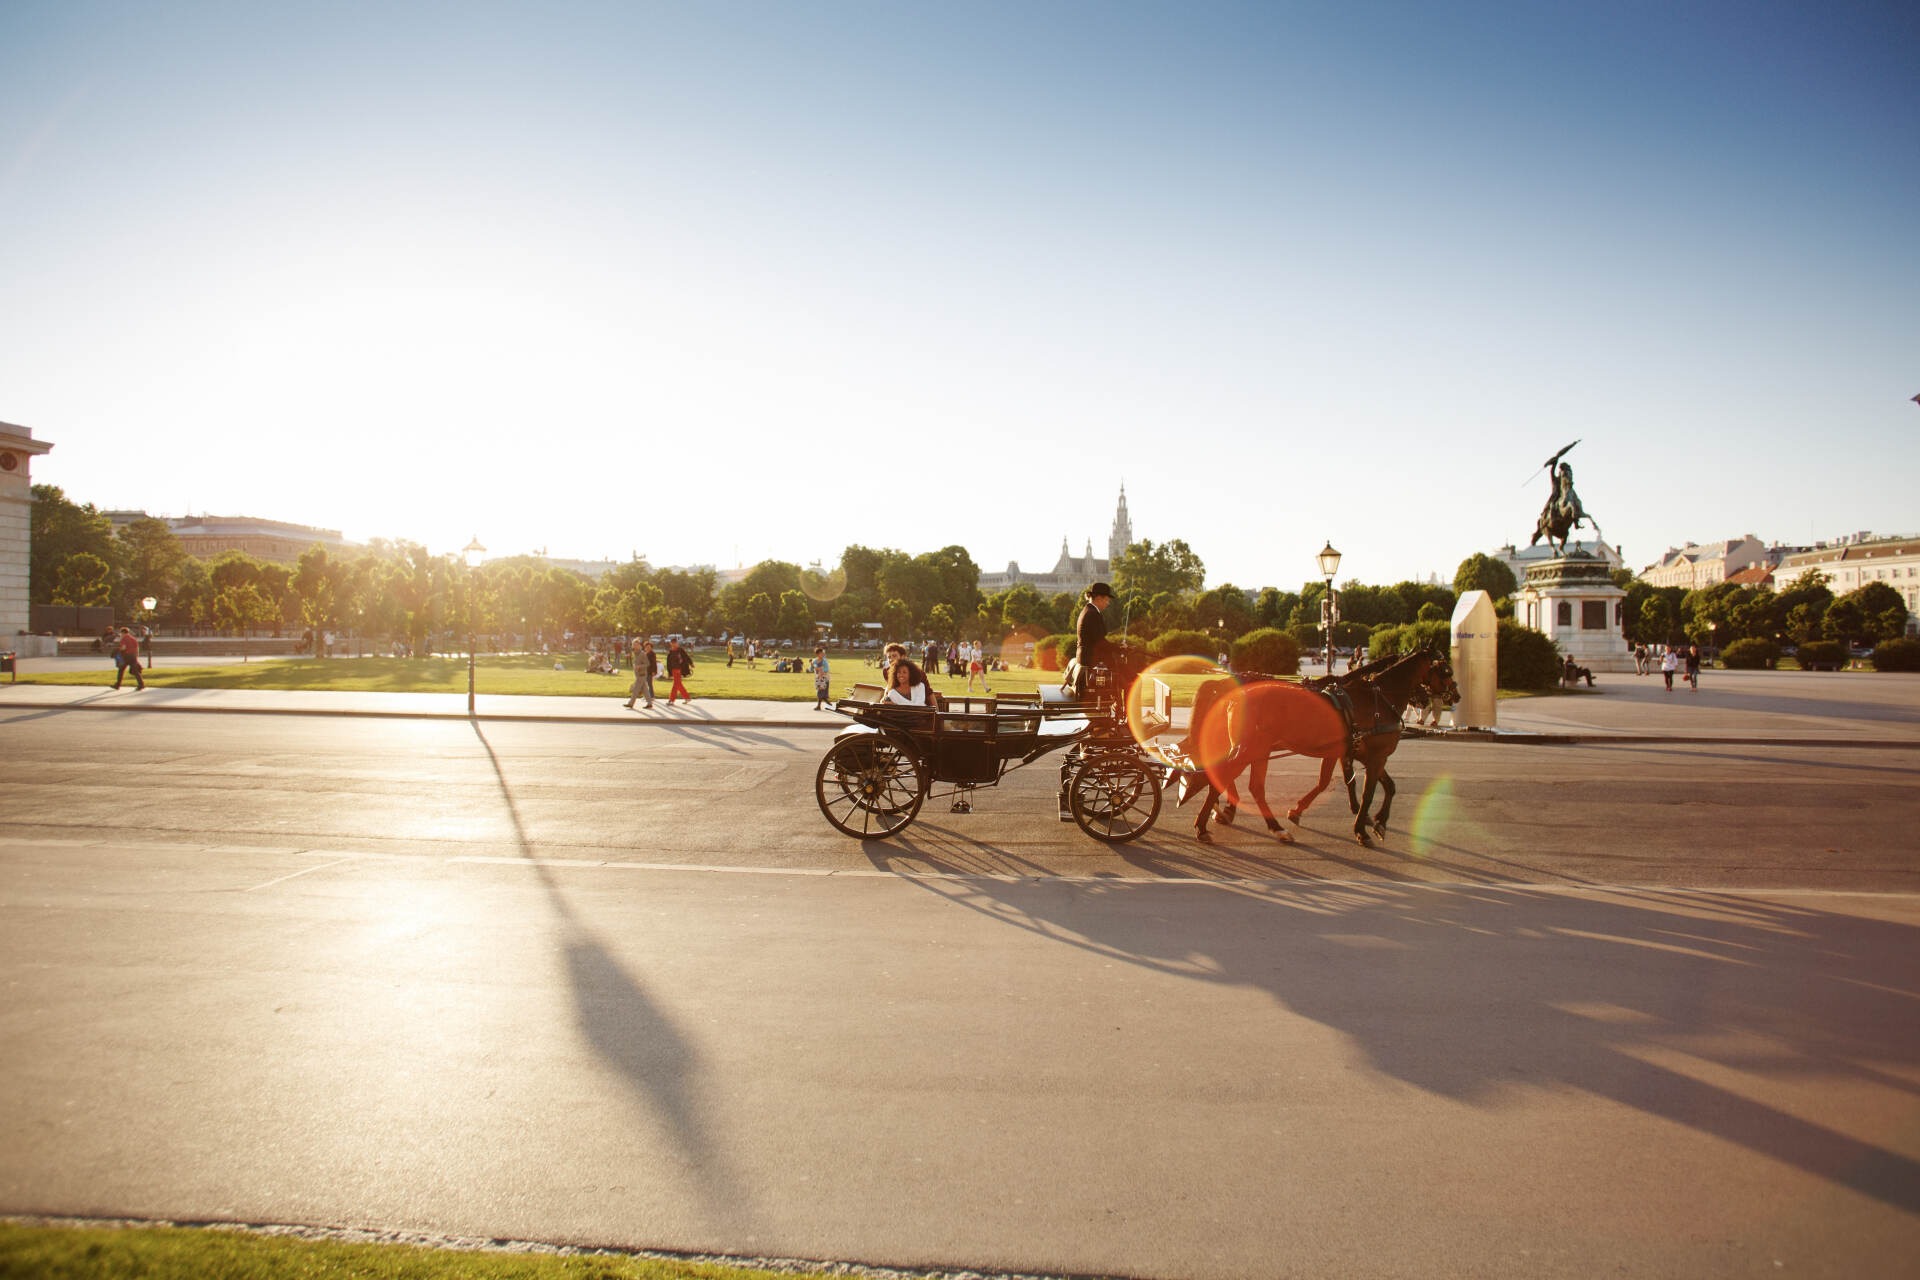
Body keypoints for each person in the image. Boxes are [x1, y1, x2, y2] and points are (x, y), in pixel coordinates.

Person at [625, 637, 656, 709]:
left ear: (639, 645)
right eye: (633, 645)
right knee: (645, 690)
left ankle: (631, 703)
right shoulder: (635, 653)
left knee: (635, 690)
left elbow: (647, 664)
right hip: (638, 674)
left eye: (636, 645)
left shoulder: (642, 654)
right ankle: (649, 703)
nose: (635, 646)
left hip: (642, 674)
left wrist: (639, 666)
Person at [112, 626, 145, 691]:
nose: (120, 635)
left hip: (127, 656)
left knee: (121, 670)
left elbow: (124, 647)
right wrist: (135, 656)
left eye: (121, 633)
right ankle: (141, 684)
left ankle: (117, 685)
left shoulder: (124, 638)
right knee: (136, 671)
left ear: (123, 632)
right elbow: (137, 648)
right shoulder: (133, 638)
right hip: (133, 656)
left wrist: (118, 649)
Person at [664, 637, 693, 705]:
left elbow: (686, 657)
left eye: (675, 643)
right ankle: (686, 697)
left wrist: (691, 663)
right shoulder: (670, 652)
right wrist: (669, 673)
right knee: (677, 684)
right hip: (674, 669)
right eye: (673, 643)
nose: (674, 644)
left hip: (680, 669)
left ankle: (672, 700)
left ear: (677, 643)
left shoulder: (680, 650)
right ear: (671, 643)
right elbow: (669, 663)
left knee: (676, 684)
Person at [811, 645, 831, 710]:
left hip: (825, 678)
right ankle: (828, 704)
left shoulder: (824, 661)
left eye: (823, 653)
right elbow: (811, 668)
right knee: (821, 692)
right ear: (817, 654)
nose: (822, 654)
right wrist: (814, 667)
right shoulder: (814, 661)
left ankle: (820, 706)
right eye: (821, 653)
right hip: (818, 678)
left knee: (821, 692)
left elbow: (826, 669)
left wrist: (819, 669)